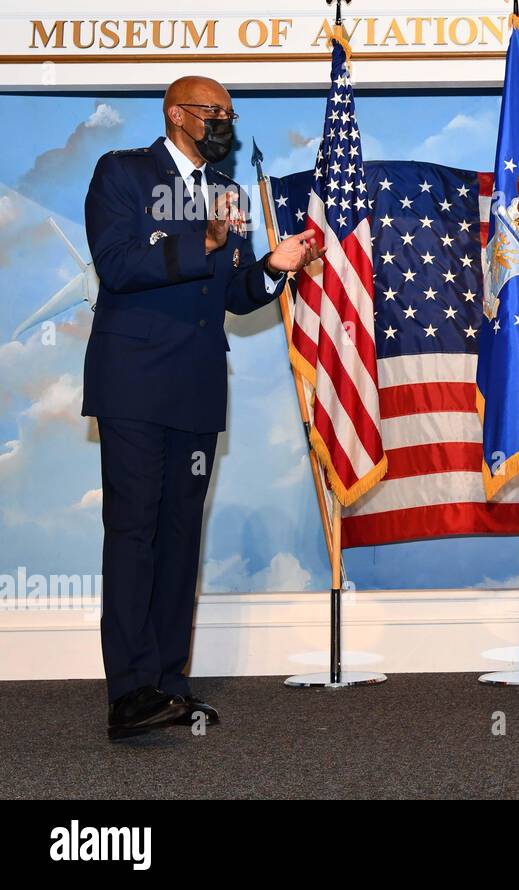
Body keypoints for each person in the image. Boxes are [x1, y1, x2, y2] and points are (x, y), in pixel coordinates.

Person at [83, 75, 320, 741]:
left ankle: (168, 685)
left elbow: (237, 295)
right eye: (211, 111)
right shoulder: (123, 172)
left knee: (182, 538)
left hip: (195, 387)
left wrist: (275, 265)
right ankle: (128, 694)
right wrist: (205, 244)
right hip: (131, 382)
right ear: (174, 113)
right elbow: (118, 263)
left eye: (228, 114)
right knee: (134, 532)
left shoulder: (226, 193)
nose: (222, 122)